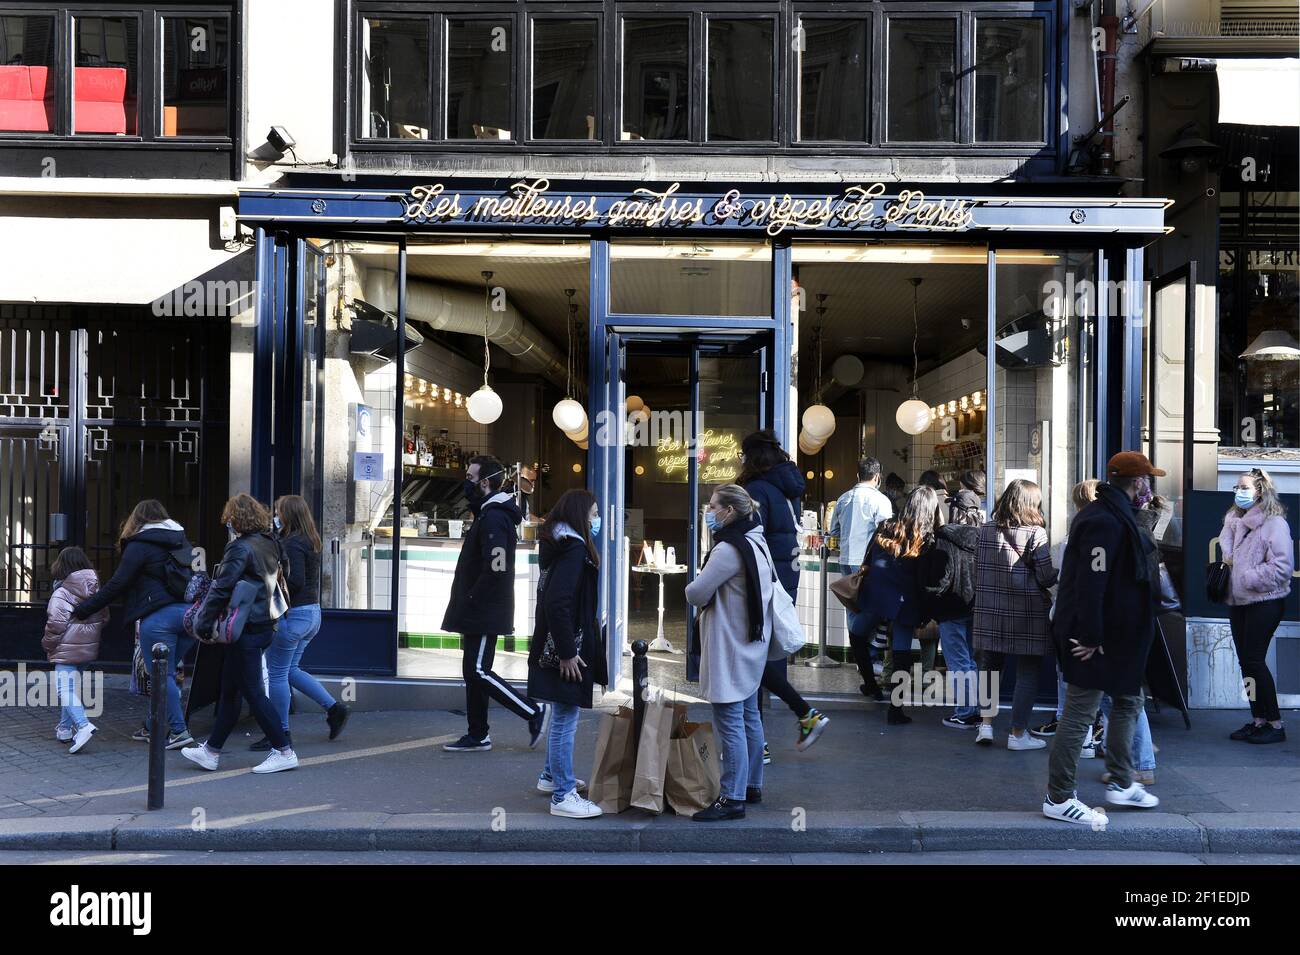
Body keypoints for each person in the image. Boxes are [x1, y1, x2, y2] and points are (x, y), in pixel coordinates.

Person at [1043, 452, 1164, 826]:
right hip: (1096, 637)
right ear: (1136, 482)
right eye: (1146, 480)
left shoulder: (1117, 516)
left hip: (1121, 637)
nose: (1149, 487)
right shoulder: (1102, 521)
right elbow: (1092, 584)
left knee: (1129, 700)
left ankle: (1122, 782)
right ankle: (1059, 797)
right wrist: (1091, 635)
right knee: (1080, 711)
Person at [181, 494, 299, 774]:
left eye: (230, 517)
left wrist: (202, 622)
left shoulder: (240, 548)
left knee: (254, 693)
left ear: (237, 519)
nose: (228, 522)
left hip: (245, 628)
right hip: (264, 625)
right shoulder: (271, 542)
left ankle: (283, 750)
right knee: (231, 690)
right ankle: (211, 751)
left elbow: (222, 588)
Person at [442, 455, 549, 753]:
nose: (466, 482)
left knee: (477, 671)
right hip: (480, 606)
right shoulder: (489, 514)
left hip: (484, 608)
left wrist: (473, 597)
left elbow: (497, 565)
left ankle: (533, 712)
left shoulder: (494, 518)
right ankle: (478, 734)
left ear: (485, 482)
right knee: (472, 670)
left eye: (470, 477)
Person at [72, 499, 197, 749]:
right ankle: (152, 726)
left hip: (158, 619)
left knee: (164, 677)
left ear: (137, 520)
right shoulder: (183, 540)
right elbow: (198, 575)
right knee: (167, 673)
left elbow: (118, 584)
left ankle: (179, 732)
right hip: (189, 617)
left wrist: (84, 609)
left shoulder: (139, 545)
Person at [737, 430, 830, 756]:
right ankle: (764, 736)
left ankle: (789, 721)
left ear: (752, 456)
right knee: (765, 654)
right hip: (785, 577)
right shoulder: (785, 486)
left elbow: (749, 538)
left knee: (751, 656)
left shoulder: (757, 490)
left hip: (764, 579)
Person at [685, 484, 773, 821]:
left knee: (730, 721)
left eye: (712, 506)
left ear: (729, 511)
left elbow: (697, 592)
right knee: (750, 716)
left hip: (728, 646)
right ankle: (752, 785)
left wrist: (692, 585)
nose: (709, 512)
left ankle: (732, 798)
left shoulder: (728, 550)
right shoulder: (757, 541)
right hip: (751, 644)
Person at [528, 489, 609, 819]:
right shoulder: (574, 549)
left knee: (561, 712)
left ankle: (551, 777)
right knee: (565, 718)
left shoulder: (558, 544)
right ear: (580, 515)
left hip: (555, 643)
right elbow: (558, 603)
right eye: (593, 514)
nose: (596, 520)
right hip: (567, 648)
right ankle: (563, 795)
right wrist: (567, 653)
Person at [251, 495, 349, 751]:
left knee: (277, 673)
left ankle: (280, 731)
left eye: (278, 511)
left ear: (288, 515)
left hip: (294, 615)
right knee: (291, 669)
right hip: (311, 614)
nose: (275, 515)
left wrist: (269, 581)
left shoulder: (293, 543)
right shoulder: (310, 539)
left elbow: (295, 582)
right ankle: (334, 708)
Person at [972, 479, 1057, 749]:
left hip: (989, 610)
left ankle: (985, 726)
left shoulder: (984, 530)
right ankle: (1017, 735)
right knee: (1028, 672)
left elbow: (977, 569)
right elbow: (1044, 577)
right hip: (1026, 611)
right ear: (1031, 503)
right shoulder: (1036, 533)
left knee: (988, 670)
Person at [848, 485, 938, 723]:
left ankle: (871, 684)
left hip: (878, 596)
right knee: (901, 651)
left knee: (857, 635)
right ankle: (895, 709)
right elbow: (925, 578)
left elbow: (868, 558)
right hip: (906, 601)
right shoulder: (927, 538)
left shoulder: (886, 526)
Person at [1221, 467, 1294, 745]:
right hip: (1238, 600)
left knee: (1254, 660)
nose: (1238, 492)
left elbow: (1283, 567)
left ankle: (1275, 724)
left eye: (1244, 487)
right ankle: (1258, 719)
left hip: (1265, 600)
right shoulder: (1233, 522)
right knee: (1245, 663)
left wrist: (1248, 578)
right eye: (1237, 488)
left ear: (1260, 491)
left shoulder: (1274, 524)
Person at [921, 492, 981, 728]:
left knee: (957, 662)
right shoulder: (984, 537)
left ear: (956, 511)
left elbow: (940, 579)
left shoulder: (943, 537)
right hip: (975, 607)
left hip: (950, 609)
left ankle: (965, 712)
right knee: (971, 661)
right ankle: (974, 709)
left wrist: (930, 601)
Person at [43, 547, 109, 754]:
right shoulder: (96, 589)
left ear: (61, 565)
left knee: (64, 690)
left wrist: (48, 645)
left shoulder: (62, 592)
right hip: (87, 651)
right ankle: (64, 729)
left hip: (66, 650)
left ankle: (83, 725)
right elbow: (105, 617)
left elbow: (55, 624)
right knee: (70, 689)